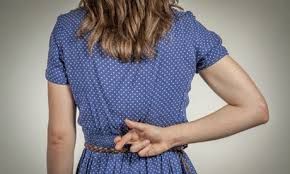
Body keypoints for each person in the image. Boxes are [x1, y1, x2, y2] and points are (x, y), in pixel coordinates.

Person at [45, 1, 269, 174]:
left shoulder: (67, 29)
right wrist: (169, 136)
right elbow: (254, 107)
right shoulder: (186, 29)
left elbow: (59, 137)